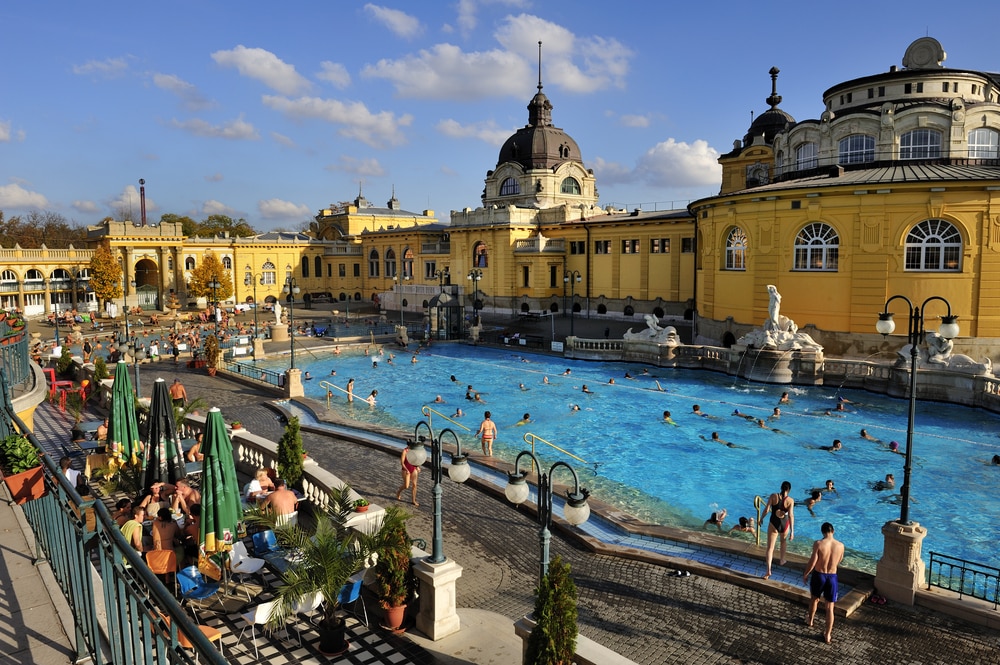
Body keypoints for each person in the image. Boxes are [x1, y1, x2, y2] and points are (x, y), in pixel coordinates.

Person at [803, 522, 845, 644]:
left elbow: (813, 561)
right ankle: (827, 634)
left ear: (822, 532)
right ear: (833, 531)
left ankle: (810, 620)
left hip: (819, 575)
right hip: (832, 577)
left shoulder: (819, 544)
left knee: (814, 599)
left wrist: (806, 573)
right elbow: (839, 560)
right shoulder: (841, 546)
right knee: (830, 607)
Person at [760, 480, 794, 580]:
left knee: (770, 548)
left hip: (773, 524)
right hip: (785, 525)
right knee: (783, 542)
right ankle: (782, 560)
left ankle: (768, 571)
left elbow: (766, 510)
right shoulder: (790, 500)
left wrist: (761, 519)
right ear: (789, 490)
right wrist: (792, 531)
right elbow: (791, 516)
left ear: (781, 487)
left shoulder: (773, 496)